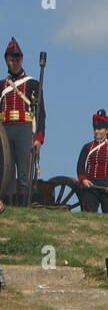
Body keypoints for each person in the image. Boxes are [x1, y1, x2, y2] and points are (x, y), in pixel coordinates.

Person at [1, 38, 44, 207]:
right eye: (11, 59)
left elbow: (41, 114)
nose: (15, 62)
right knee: (7, 171)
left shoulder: (32, 84)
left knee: (24, 171)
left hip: (24, 128)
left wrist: (39, 137)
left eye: (17, 59)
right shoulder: (1, 85)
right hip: (4, 130)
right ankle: (9, 204)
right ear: (6, 61)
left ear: (22, 60)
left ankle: (25, 205)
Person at [76, 110, 108, 213]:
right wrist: (83, 179)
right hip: (90, 185)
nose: (96, 131)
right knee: (88, 215)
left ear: (106, 130)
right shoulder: (87, 147)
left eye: (99, 128)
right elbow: (80, 166)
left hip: (107, 185)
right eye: (95, 129)